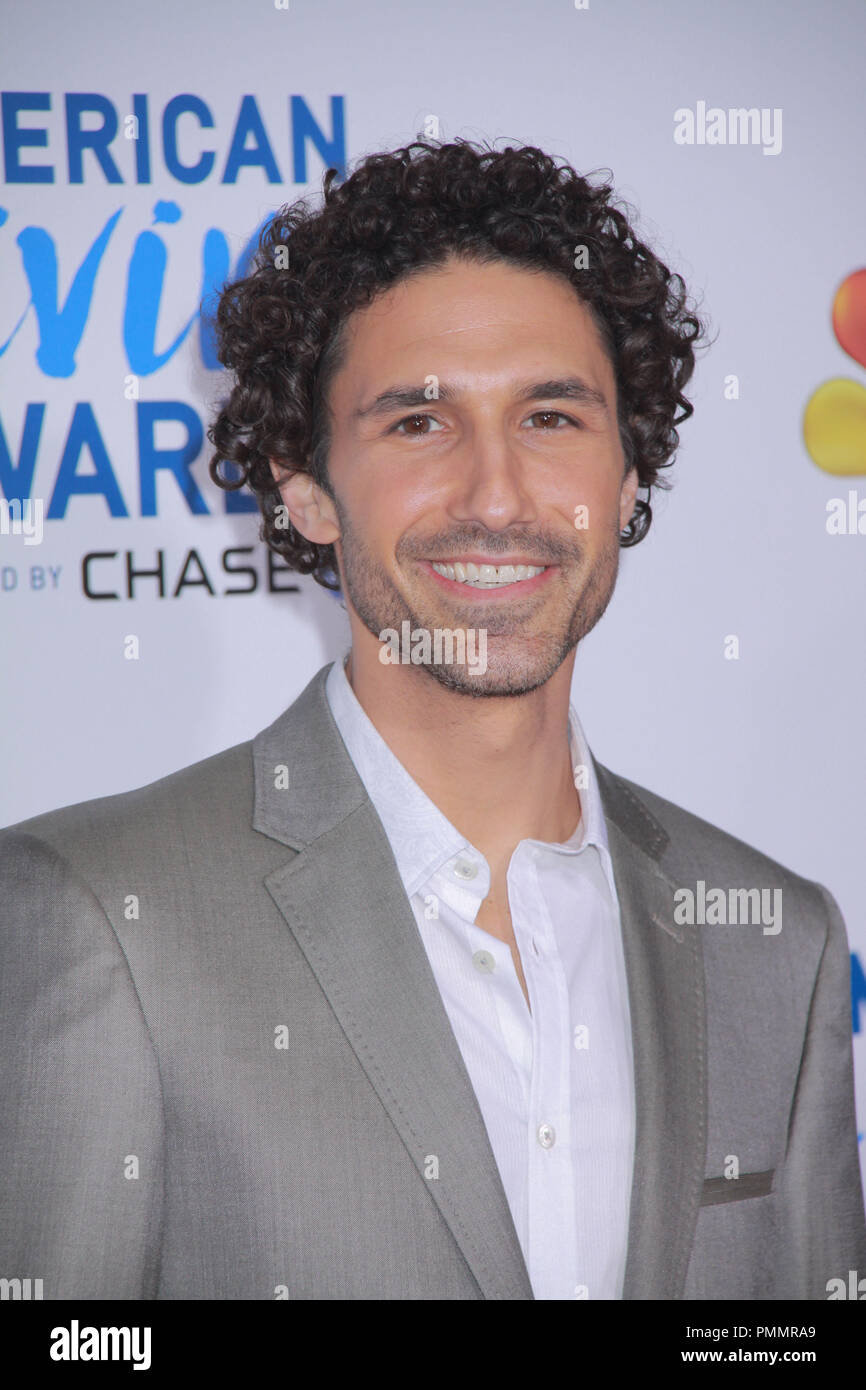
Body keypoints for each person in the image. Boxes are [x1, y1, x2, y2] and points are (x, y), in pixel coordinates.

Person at [1, 139, 863, 1301]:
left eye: (551, 417)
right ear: (303, 483)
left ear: (626, 478)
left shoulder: (776, 940)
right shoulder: (97, 912)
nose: (496, 495)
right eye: (417, 422)